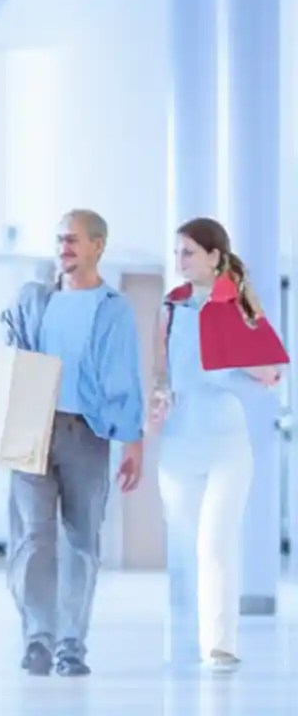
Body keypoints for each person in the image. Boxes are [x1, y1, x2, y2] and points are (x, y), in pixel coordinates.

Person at [0, 208, 145, 677]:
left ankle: (70, 644)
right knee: (33, 539)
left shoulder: (112, 308)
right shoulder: (35, 299)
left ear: (98, 246)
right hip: (32, 428)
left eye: (74, 240)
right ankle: (37, 637)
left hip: (87, 433)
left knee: (81, 541)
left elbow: (125, 376)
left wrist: (133, 441)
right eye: (60, 239)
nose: (63, 247)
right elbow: (5, 348)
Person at [149, 217, 282, 671]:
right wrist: (159, 398)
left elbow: (270, 371)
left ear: (213, 257)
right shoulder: (170, 307)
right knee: (188, 535)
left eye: (188, 252)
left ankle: (220, 643)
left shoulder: (238, 305)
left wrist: (240, 368)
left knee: (216, 541)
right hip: (179, 440)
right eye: (176, 253)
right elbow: (161, 371)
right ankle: (194, 631)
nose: (180, 261)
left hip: (227, 442)